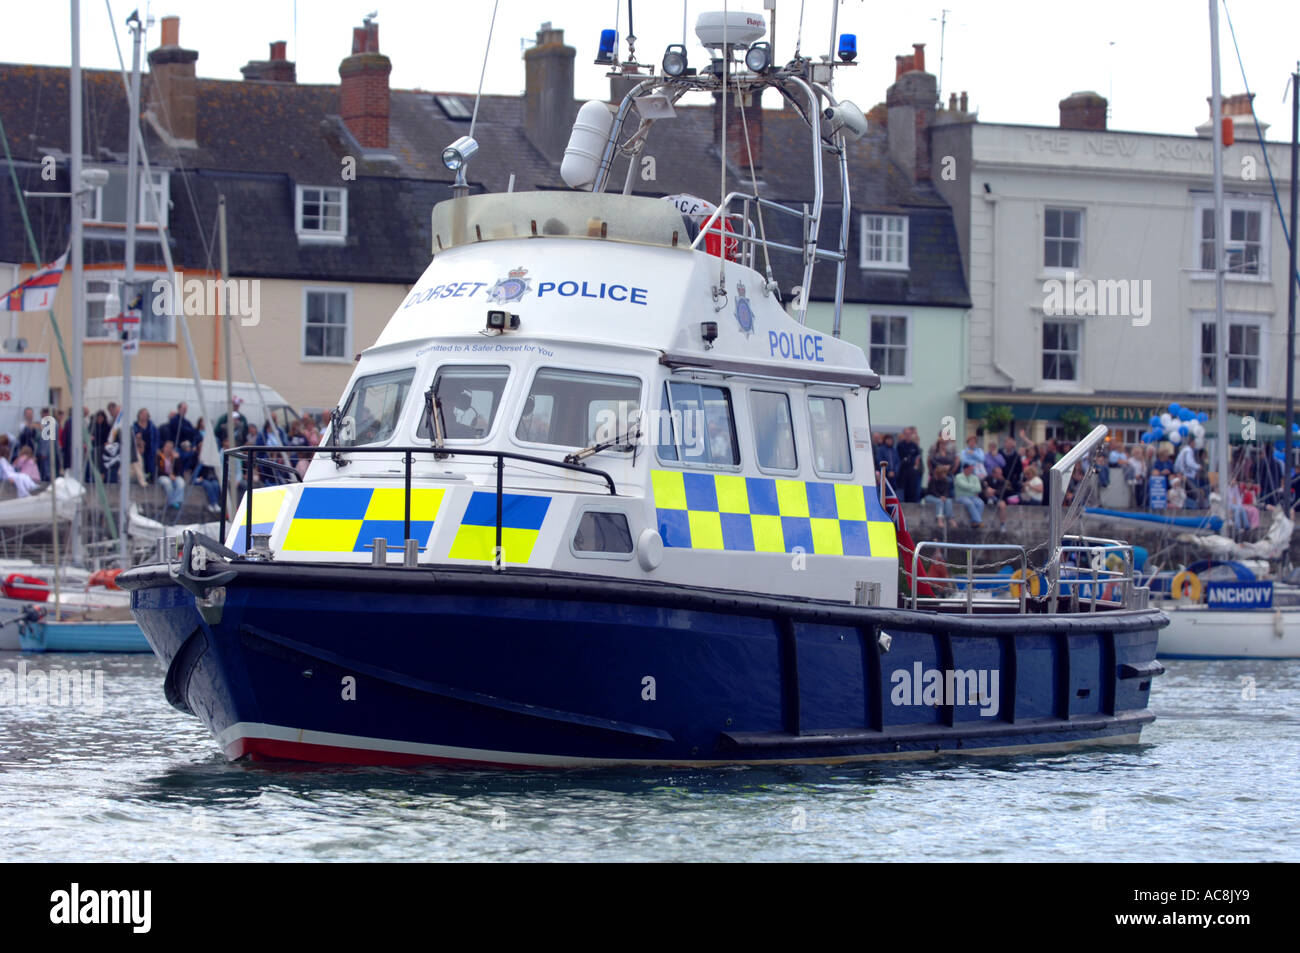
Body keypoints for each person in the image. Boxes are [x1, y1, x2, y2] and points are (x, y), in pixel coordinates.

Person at [922, 463, 955, 529]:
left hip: (941, 497)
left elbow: (946, 491)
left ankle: (950, 518)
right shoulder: (933, 480)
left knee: (948, 501)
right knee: (939, 502)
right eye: (944, 473)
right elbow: (932, 491)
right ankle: (939, 519)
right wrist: (940, 497)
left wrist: (944, 496)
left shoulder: (946, 481)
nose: (945, 475)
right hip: (930, 496)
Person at [156, 440, 186, 510]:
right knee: (167, 482)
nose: (169, 449)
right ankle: (172, 502)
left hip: (173, 476)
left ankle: (178, 501)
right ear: (164, 447)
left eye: (171, 448)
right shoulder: (159, 456)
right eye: (167, 447)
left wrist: (177, 459)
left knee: (181, 482)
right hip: (162, 476)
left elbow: (179, 470)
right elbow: (157, 471)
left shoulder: (173, 457)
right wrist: (168, 475)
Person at [132, 408, 160, 483]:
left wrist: (156, 448)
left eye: (145, 414)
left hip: (150, 449)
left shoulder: (152, 426)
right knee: (141, 463)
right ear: (139, 415)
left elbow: (157, 437)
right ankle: (141, 479)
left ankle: (151, 479)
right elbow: (132, 438)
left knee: (150, 465)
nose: (144, 416)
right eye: (142, 414)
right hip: (139, 449)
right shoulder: (134, 426)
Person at [953, 461, 985, 526]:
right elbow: (963, 486)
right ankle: (979, 521)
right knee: (969, 503)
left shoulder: (975, 477)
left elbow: (979, 489)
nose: (971, 471)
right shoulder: (958, 476)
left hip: (972, 496)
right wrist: (973, 487)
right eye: (970, 469)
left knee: (980, 503)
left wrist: (969, 487)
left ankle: (974, 522)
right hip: (961, 496)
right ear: (965, 469)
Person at [896, 426, 923, 503]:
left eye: (909, 434)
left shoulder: (914, 445)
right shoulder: (900, 445)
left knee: (912, 489)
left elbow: (917, 457)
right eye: (906, 434)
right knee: (902, 488)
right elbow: (897, 457)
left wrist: (916, 466)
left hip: (911, 471)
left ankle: (911, 504)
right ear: (904, 434)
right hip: (903, 470)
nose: (908, 435)